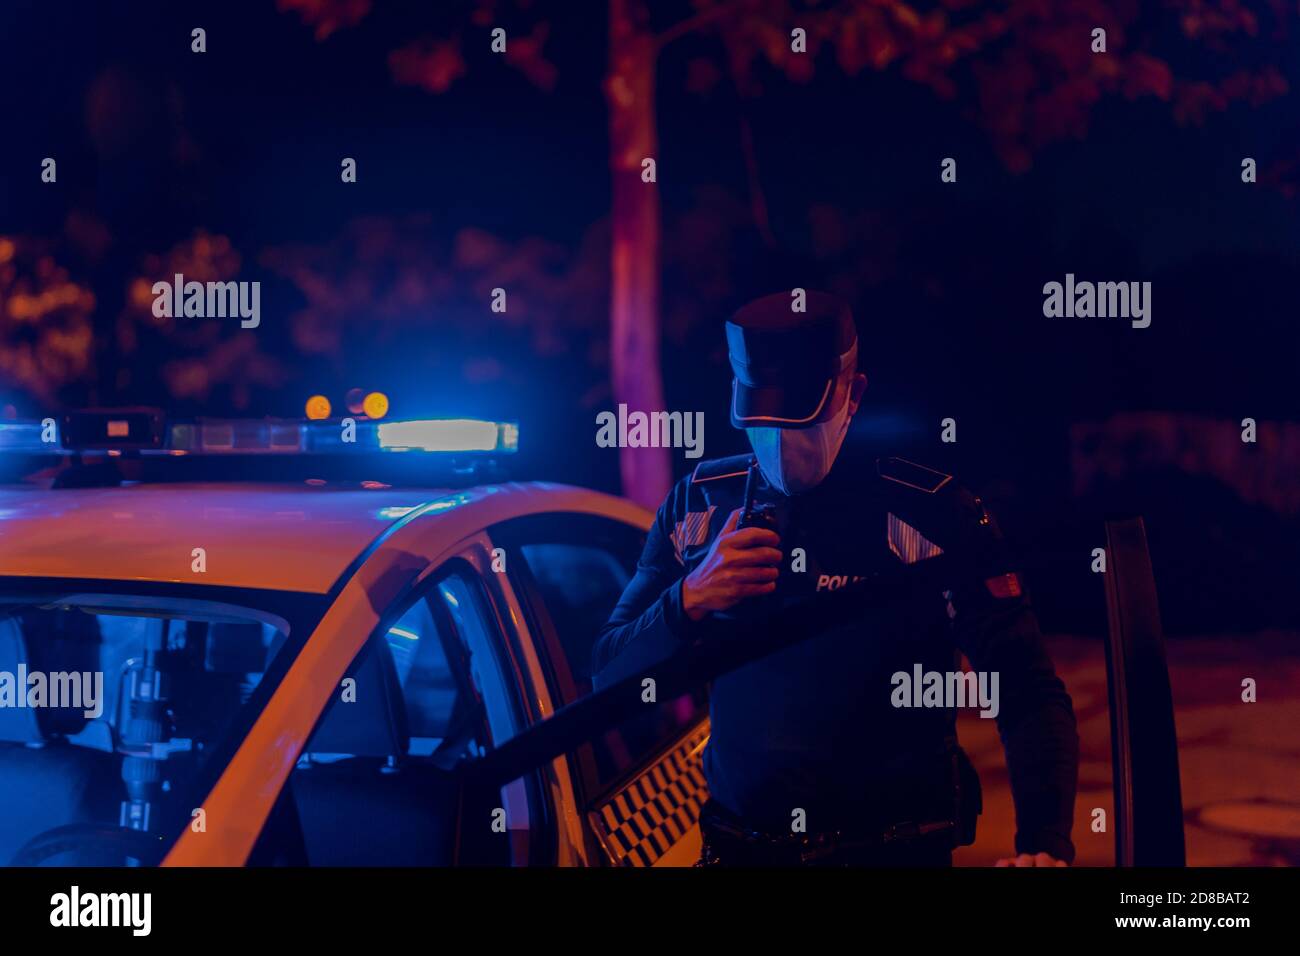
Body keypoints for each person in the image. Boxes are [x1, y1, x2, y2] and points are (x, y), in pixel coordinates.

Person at [591, 291, 1079, 866]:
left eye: (801, 417)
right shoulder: (699, 508)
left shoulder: (930, 513)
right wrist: (689, 598)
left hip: (894, 854)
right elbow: (609, 677)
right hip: (739, 852)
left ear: (853, 394)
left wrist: (1045, 844)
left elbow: (1026, 689)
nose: (779, 441)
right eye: (763, 420)